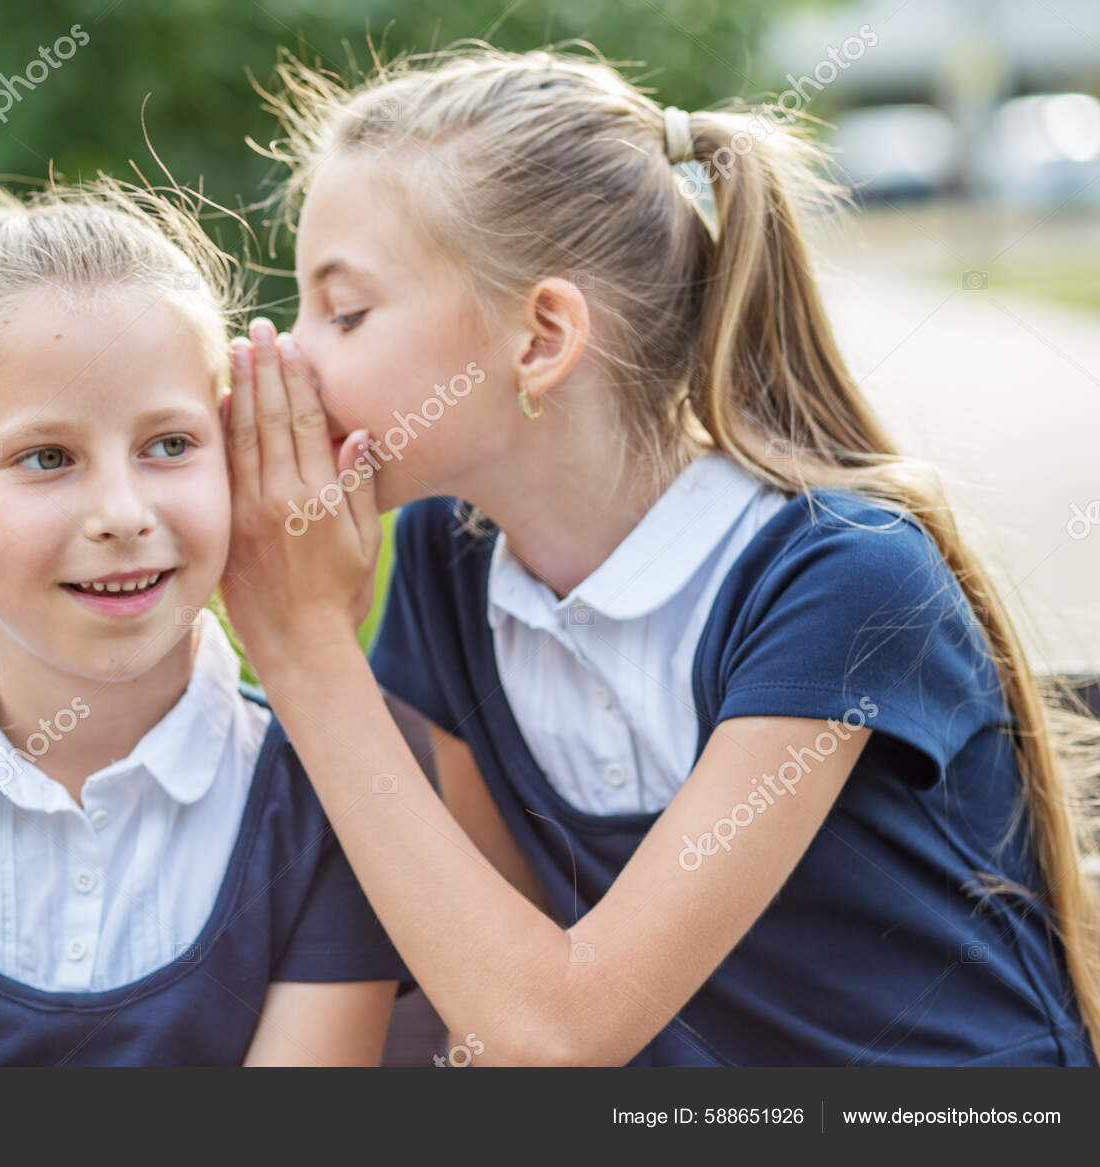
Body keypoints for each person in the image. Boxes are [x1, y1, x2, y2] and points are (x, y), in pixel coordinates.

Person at [218, 44, 1100, 1065]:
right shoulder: (446, 562)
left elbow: (556, 1031)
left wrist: (300, 651)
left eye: (345, 312)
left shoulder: (838, 578)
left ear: (541, 338)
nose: (290, 356)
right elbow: (490, 972)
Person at [0, 169, 407, 1066]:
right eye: (49, 457)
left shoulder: (325, 806)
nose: (122, 512)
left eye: (169, 445)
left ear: (234, 459)